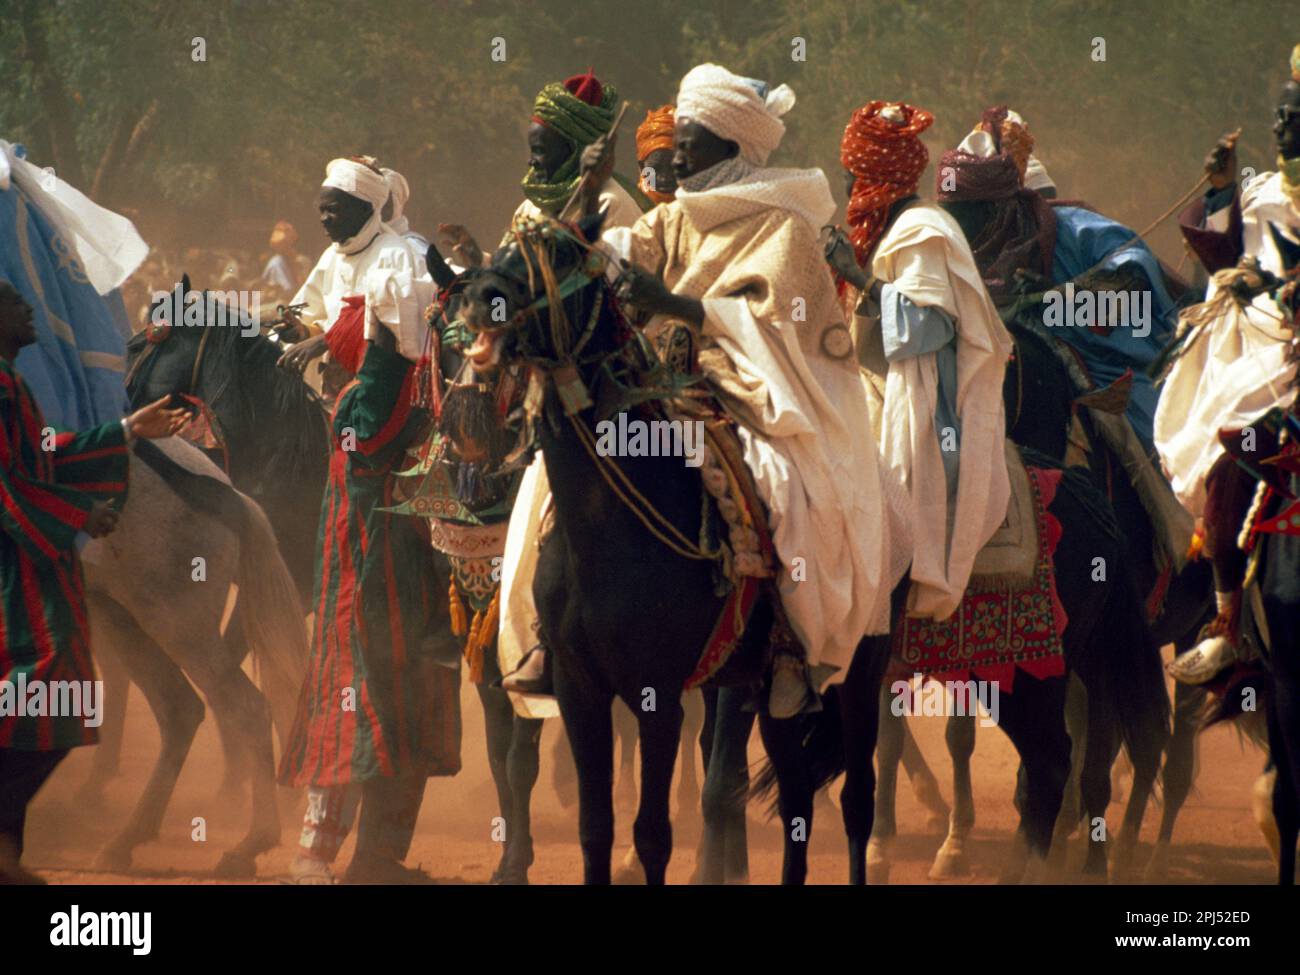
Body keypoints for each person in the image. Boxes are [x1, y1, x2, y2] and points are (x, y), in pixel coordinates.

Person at [606, 64, 907, 716]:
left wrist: (682, 308)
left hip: (752, 395)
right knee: (562, 469)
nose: (676, 153)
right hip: (661, 387)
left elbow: (784, 331)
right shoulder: (676, 217)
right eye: (677, 140)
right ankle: (554, 633)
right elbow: (622, 251)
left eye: (689, 140)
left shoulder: (784, 227)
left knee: (784, 491)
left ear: (731, 147)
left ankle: (790, 645)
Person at [439, 72, 649, 707]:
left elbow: (609, 301)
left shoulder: (618, 208)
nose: (532, 158)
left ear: (585, 148)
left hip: (606, 387)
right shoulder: (529, 210)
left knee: (544, 500)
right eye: (531, 147)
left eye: (543, 148)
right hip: (533, 391)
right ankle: (533, 641)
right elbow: (501, 290)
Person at [0, 281, 189, 884]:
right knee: (49, 686)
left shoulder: (11, 381)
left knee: (56, 695)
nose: (31, 309)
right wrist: (80, 514)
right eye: (16, 304)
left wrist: (128, 427)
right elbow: (6, 484)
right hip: (15, 570)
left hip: (31, 560)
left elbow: (40, 454)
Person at [277, 295, 460, 885]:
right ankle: (314, 857)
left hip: (409, 605)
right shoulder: (366, 406)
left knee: (405, 726)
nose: (332, 371)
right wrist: (387, 336)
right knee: (352, 716)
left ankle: (377, 859)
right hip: (365, 605)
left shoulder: (411, 400)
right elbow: (370, 417)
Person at [824, 100, 1011, 624]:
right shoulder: (879, 228)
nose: (845, 184)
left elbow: (924, 329)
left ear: (873, 175)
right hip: (866, 375)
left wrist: (857, 277)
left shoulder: (921, 229)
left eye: (851, 173)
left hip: (921, 391)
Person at [1158, 44, 1300, 685]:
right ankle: (1226, 621)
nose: (1280, 129)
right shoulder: (1263, 190)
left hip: (1286, 331)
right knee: (1227, 446)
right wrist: (1218, 189)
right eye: (1279, 118)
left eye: (1292, 120)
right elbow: (1220, 250)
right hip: (1263, 342)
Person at [275, 157, 432, 382]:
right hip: (331, 384)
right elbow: (317, 317)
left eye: (333, 210)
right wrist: (302, 331)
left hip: (377, 389)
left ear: (365, 209)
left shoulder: (395, 254)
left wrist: (326, 342)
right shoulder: (331, 256)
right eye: (321, 211)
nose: (323, 220)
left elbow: (394, 329)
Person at [636, 104, 678, 204]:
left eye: (673, 168)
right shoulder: (630, 205)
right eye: (656, 169)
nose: (664, 179)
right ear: (642, 167)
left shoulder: (702, 210)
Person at [261, 220, 301, 298]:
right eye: (288, 245)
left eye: (292, 245)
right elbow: (288, 289)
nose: (292, 249)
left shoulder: (292, 261)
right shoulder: (277, 262)